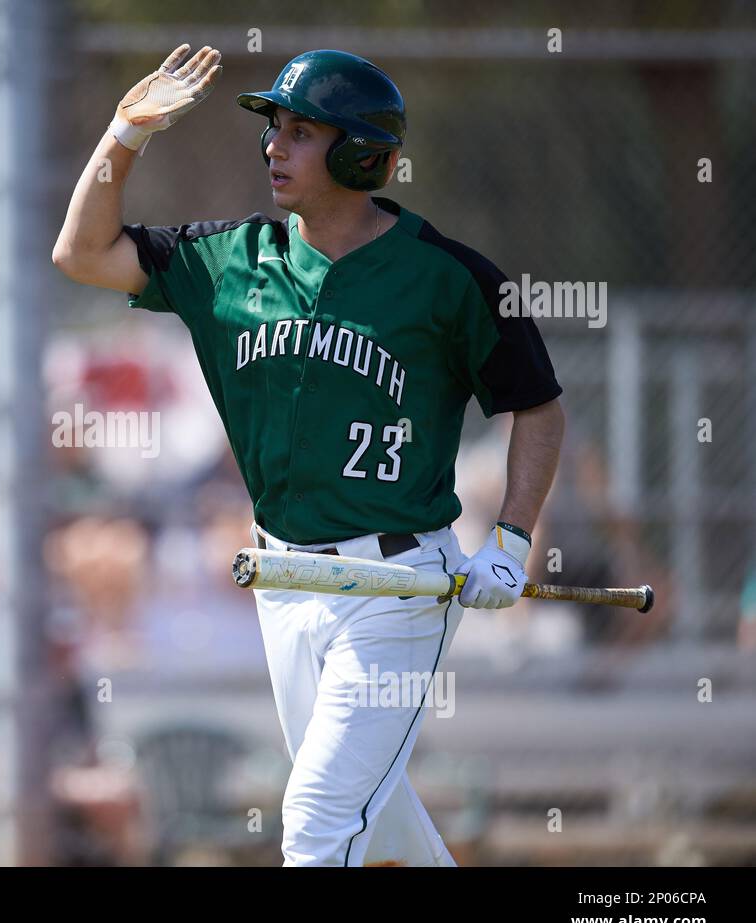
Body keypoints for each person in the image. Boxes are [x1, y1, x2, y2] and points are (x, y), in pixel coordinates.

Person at [52, 46, 565, 865]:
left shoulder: (448, 278)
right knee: (380, 817)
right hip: (286, 581)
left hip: (399, 586)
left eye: (300, 132)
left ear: (363, 156)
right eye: (274, 130)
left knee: (321, 816)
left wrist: (509, 537)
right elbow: (80, 253)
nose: (273, 148)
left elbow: (536, 406)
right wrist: (124, 134)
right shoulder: (228, 258)